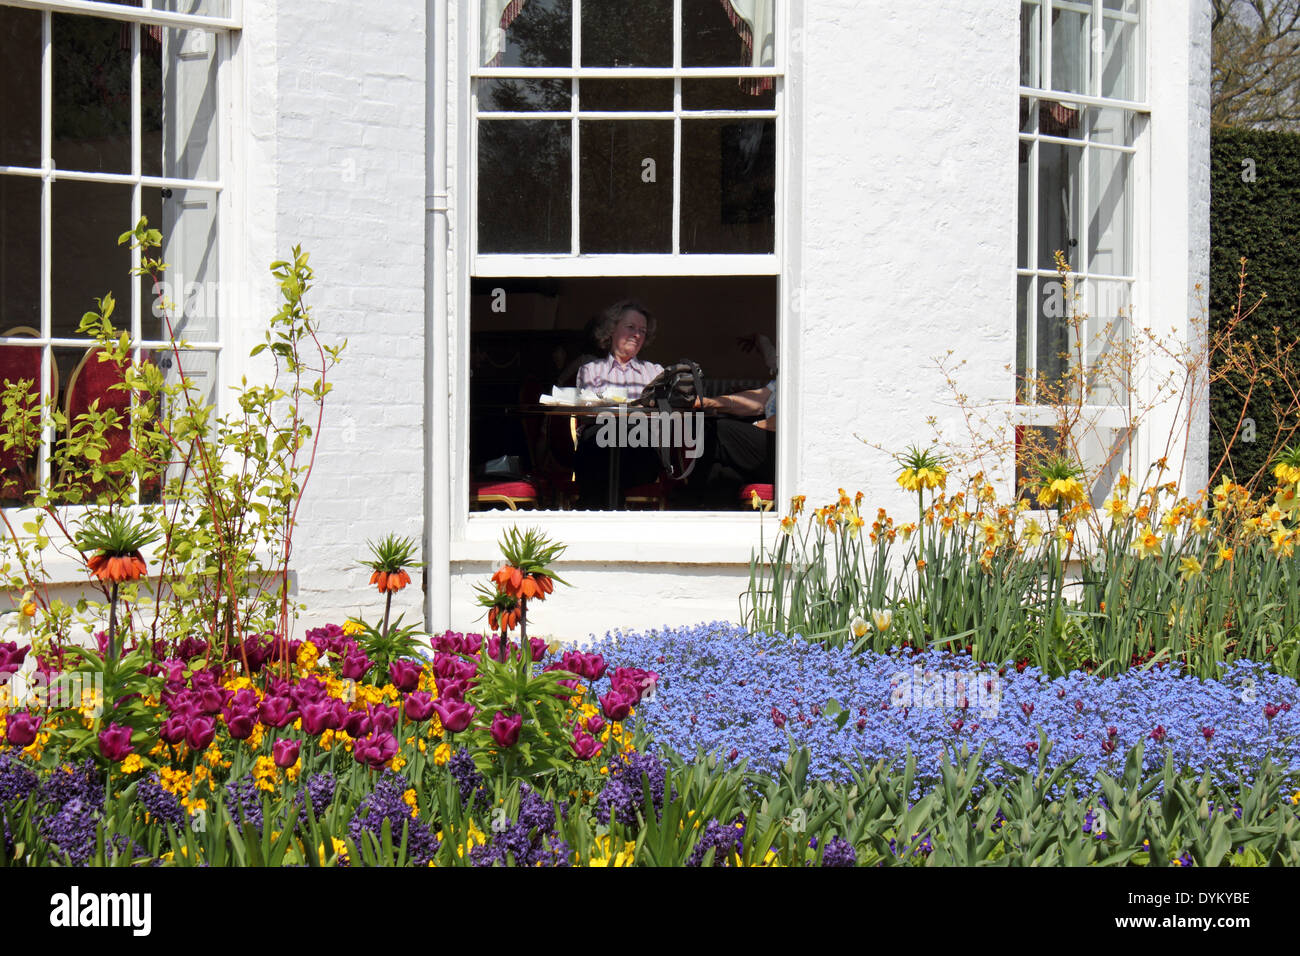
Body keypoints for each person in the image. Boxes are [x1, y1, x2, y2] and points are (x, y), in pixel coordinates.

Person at [573, 301, 665, 509]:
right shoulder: (590, 370)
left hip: (639, 450)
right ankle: (608, 507)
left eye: (642, 331)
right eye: (631, 327)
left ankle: (598, 509)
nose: (637, 335)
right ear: (612, 329)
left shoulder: (655, 372)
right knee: (599, 437)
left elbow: (661, 415)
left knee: (628, 435)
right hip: (599, 445)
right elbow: (588, 411)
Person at [690, 377, 777, 510]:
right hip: (764, 447)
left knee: (718, 429)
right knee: (722, 469)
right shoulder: (781, 379)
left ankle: (688, 502)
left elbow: (789, 417)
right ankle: (713, 517)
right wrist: (712, 402)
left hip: (783, 453)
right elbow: (758, 401)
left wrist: (753, 426)